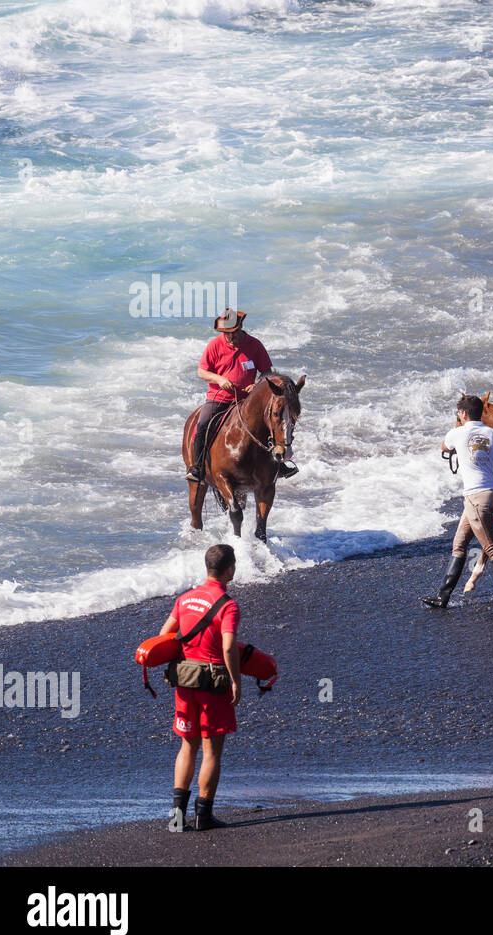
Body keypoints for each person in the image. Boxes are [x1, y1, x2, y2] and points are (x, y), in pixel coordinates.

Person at [157, 544, 241, 831]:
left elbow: (164, 635)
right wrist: (236, 680)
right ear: (229, 569)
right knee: (211, 751)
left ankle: (177, 820)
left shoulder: (186, 598)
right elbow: (229, 646)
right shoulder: (228, 605)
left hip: (184, 681)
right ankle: (203, 818)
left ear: (208, 567)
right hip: (213, 685)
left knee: (187, 746)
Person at [422, 394, 493, 608]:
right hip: (490, 495)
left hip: (476, 499)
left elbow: (444, 448)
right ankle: (443, 597)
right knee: (459, 544)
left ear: (463, 414)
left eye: (459, 413)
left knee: (492, 547)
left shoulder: (456, 433)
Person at [186, 308, 297, 482]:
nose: (231, 337)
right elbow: (202, 371)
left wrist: (257, 384)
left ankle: (279, 465)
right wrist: (220, 379)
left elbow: (267, 371)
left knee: (272, 424)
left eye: (234, 332)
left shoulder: (255, 345)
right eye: (227, 333)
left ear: (241, 327)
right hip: (219, 397)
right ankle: (198, 467)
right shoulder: (214, 345)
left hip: (248, 400)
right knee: (203, 424)